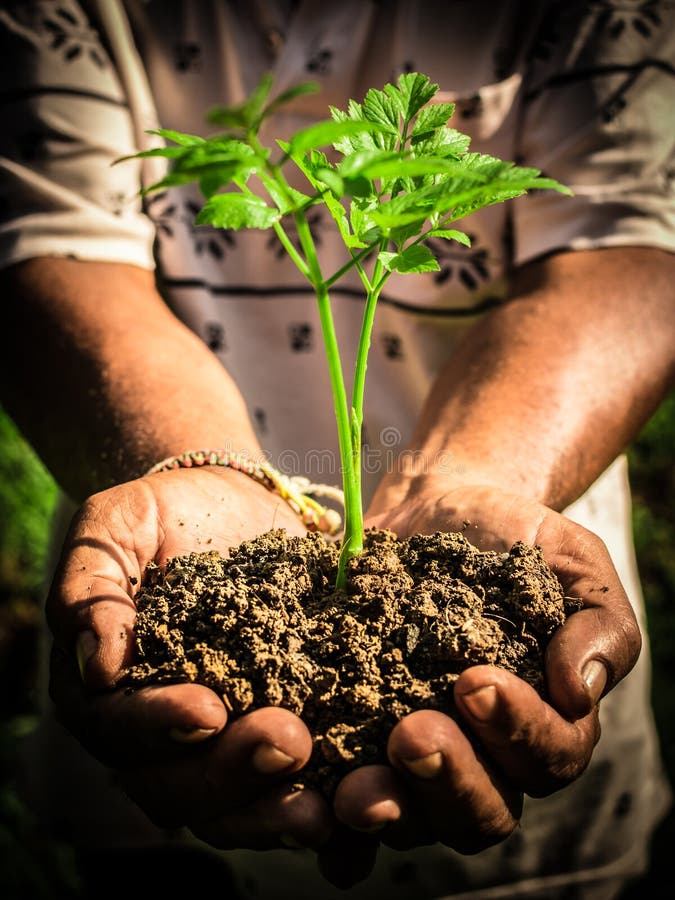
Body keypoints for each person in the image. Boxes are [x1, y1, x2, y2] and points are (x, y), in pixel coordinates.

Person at [1, 1, 674, 897]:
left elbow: (625, 241)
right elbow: (45, 238)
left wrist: (475, 476)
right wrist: (202, 469)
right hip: (154, 773)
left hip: (536, 825)